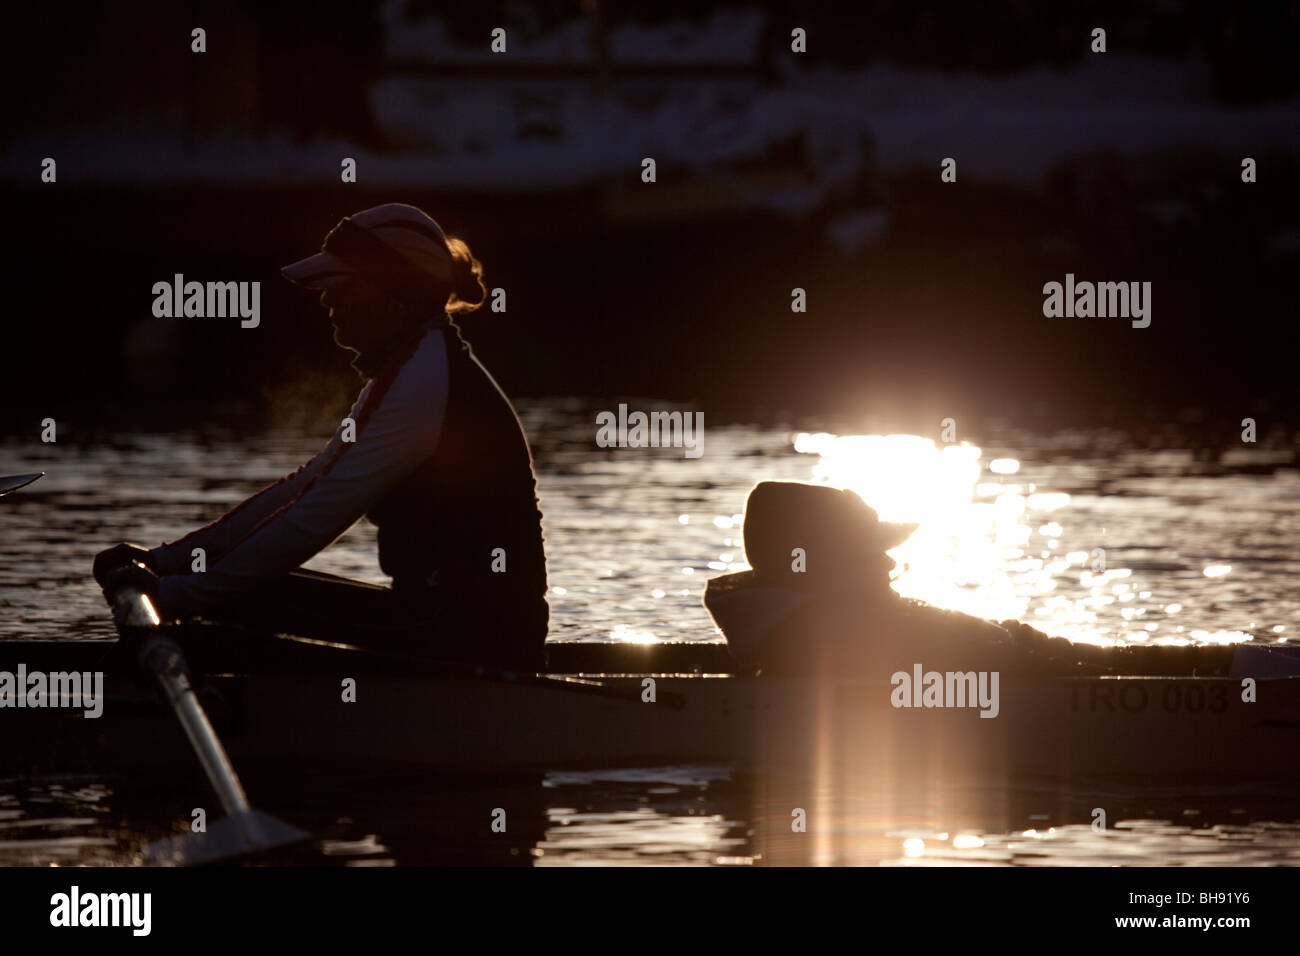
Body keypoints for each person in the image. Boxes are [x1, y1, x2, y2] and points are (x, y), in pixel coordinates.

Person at [94, 203, 549, 671]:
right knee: (238, 589)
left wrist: (179, 593)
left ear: (395, 292)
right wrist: (171, 562)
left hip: (473, 642)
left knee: (230, 604)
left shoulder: (425, 380)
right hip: (443, 620)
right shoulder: (418, 364)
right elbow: (306, 486)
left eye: (341, 286)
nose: (327, 300)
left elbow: (314, 517)